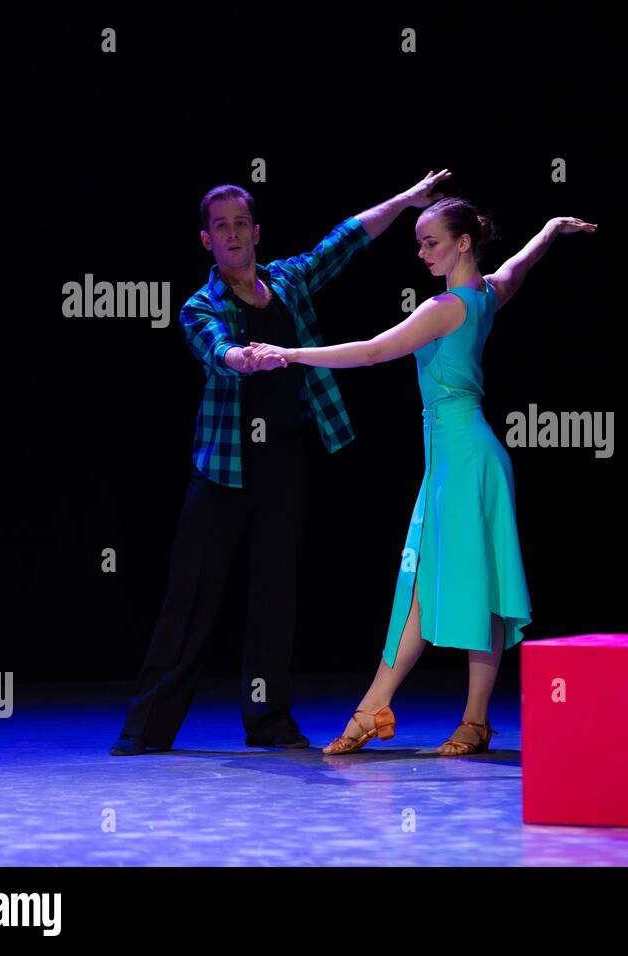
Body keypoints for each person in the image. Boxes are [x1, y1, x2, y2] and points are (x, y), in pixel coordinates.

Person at [109, 172, 452, 756]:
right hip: (221, 467)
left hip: (280, 461)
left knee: (276, 594)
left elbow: (344, 241)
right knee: (191, 597)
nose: (234, 234)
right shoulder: (201, 305)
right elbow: (214, 347)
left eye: (242, 223)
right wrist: (242, 358)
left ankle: (268, 721)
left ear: (257, 231)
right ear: (207, 241)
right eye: (222, 227)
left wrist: (405, 200)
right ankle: (147, 728)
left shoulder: (288, 280)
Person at [249, 197, 596, 755]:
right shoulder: (487, 292)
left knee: (467, 588)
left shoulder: (449, 305)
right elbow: (519, 264)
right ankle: (381, 708)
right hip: (461, 459)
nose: (421, 252)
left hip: (462, 459)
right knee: (423, 586)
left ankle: (465, 719)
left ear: (463, 243)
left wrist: (288, 353)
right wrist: (551, 229)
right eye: (419, 242)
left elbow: (370, 353)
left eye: (431, 241)